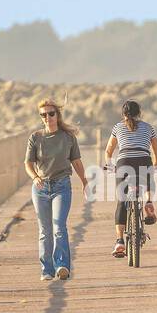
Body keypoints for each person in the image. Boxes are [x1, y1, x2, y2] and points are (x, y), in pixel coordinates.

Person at [25, 98, 88, 281]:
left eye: (51, 114)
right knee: (45, 230)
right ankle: (47, 269)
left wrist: (85, 182)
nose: (47, 118)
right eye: (43, 115)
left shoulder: (68, 137)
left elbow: (76, 161)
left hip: (62, 185)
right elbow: (28, 164)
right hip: (41, 187)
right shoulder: (35, 138)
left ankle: (62, 266)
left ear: (57, 115)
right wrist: (35, 177)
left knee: (59, 226)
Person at [104, 99, 157, 258]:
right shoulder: (148, 128)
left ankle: (119, 241)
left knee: (122, 201)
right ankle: (149, 201)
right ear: (139, 114)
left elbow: (109, 150)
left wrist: (109, 165)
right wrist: (155, 165)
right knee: (148, 178)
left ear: (123, 114)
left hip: (124, 162)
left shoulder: (117, 127)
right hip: (143, 160)